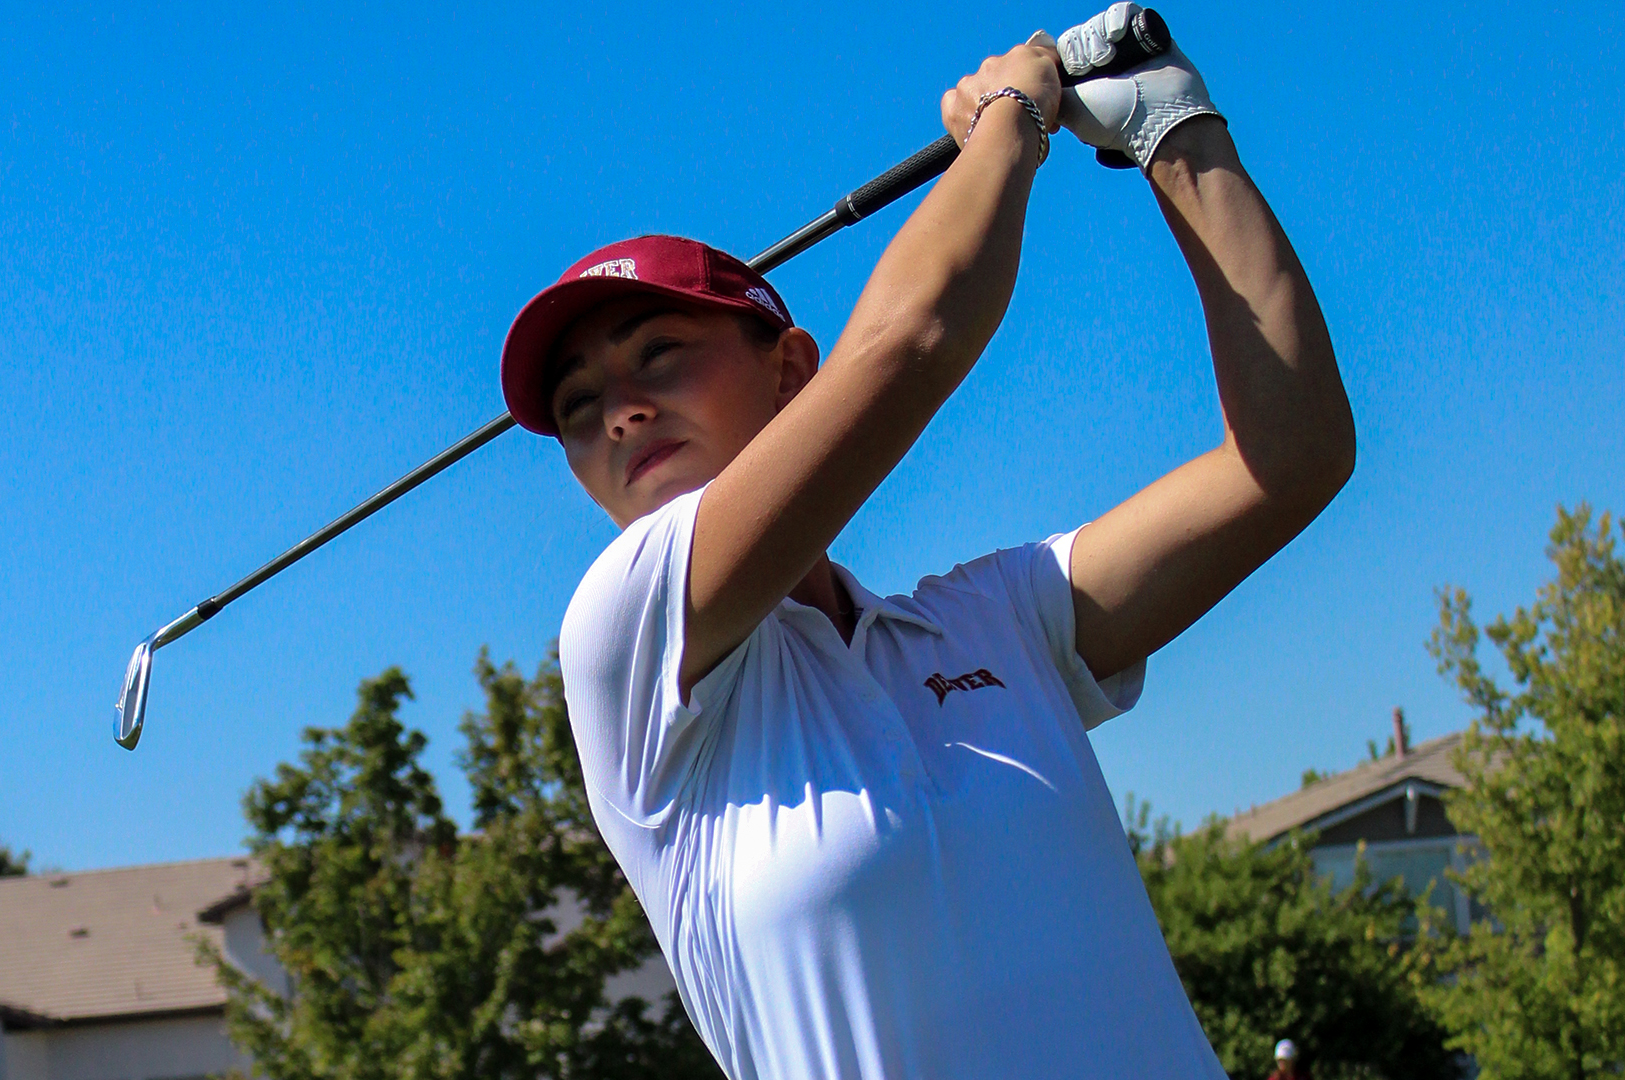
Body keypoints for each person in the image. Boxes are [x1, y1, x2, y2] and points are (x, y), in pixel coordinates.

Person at [496, 4, 1353, 1077]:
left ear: (793, 374)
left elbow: (1292, 458)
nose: (617, 412)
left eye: (658, 353)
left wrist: (1174, 133)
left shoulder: (995, 621)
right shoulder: (627, 639)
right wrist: (1009, 116)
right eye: (578, 408)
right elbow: (911, 340)